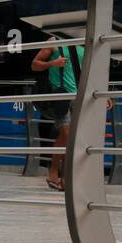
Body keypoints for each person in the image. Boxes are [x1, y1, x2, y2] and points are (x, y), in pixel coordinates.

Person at [32, 39, 84, 192]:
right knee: (66, 134)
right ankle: (54, 170)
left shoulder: (84, 41)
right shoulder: (55, 42)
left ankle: (65, 176)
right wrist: (53, 63)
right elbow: (34, 65)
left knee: (71, 137)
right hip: (60, 96)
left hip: (80, 95)